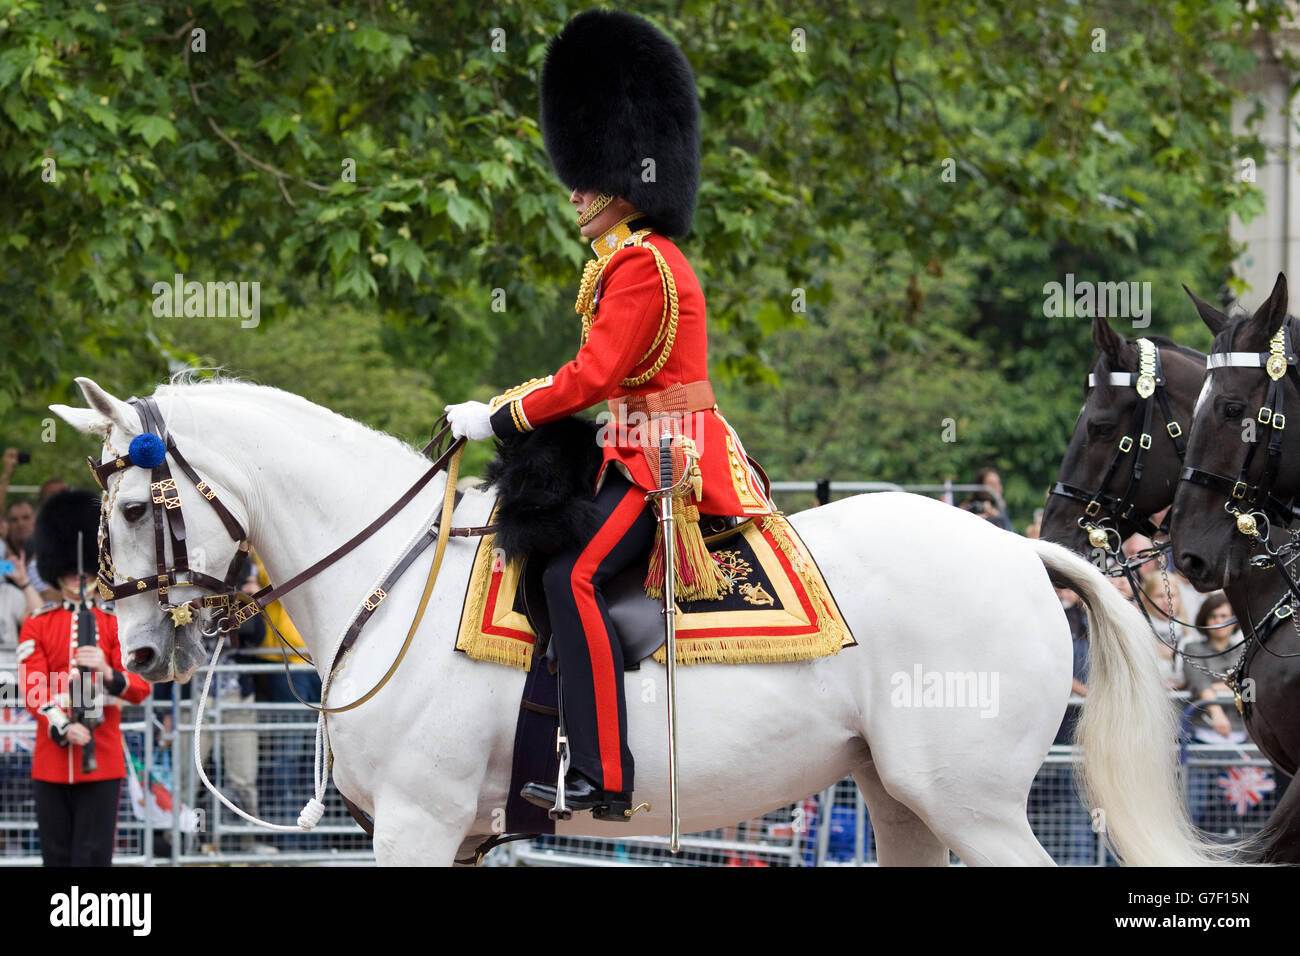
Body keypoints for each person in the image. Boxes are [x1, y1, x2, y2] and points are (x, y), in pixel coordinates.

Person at [445, 9, 774, 816]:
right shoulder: (629, 261)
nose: (575, 191)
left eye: (587, 176)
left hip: (664, 455)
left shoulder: (642, 264)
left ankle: (605, 771)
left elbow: (593, 375)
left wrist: (500, 415)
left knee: (575, 573)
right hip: (632, 445)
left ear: (628, 177)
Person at [18, 489, 149, 865]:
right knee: (56, 855)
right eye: (71, 571)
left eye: (86, 571)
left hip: (103, 757)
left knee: (93, 856)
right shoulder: (38, 624)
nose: (79, 577)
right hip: (52, 758)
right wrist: (61, 723)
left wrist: (108, 673)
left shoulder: (114, 625)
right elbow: (31, 685)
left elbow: (139, 686)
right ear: (56, 572)